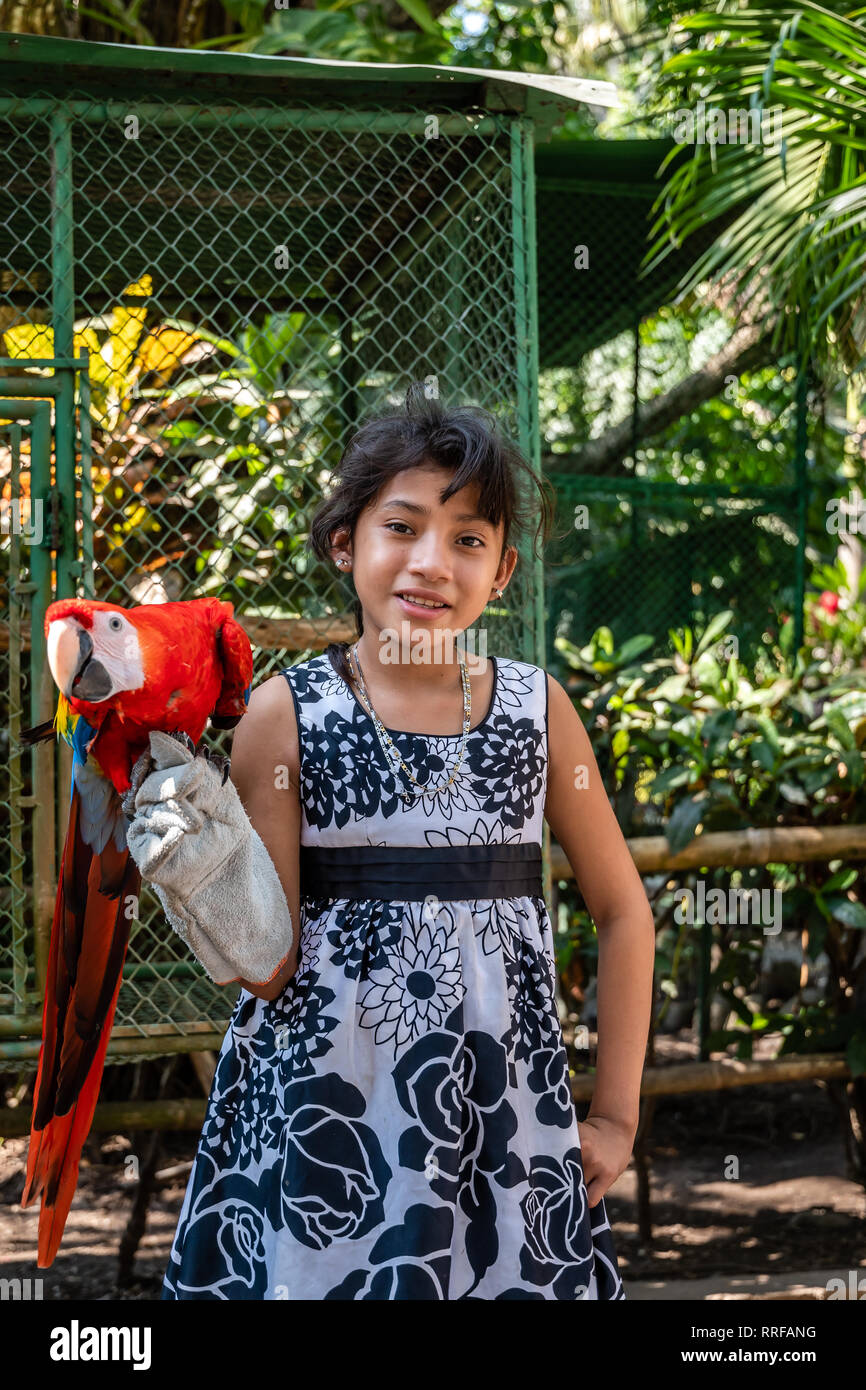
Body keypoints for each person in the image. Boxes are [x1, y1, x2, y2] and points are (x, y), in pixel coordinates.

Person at [132, 381, 655, 1300]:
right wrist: (204, 884)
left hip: (503, 1128)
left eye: (468, 540)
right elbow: (268, 964)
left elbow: (622, 912)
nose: (432, 563)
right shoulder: (285, 716)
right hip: (317, 1130)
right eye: (402, 526)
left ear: (501, 570)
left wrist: (612, 1117)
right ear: (347, 543)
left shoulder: (540, 713)